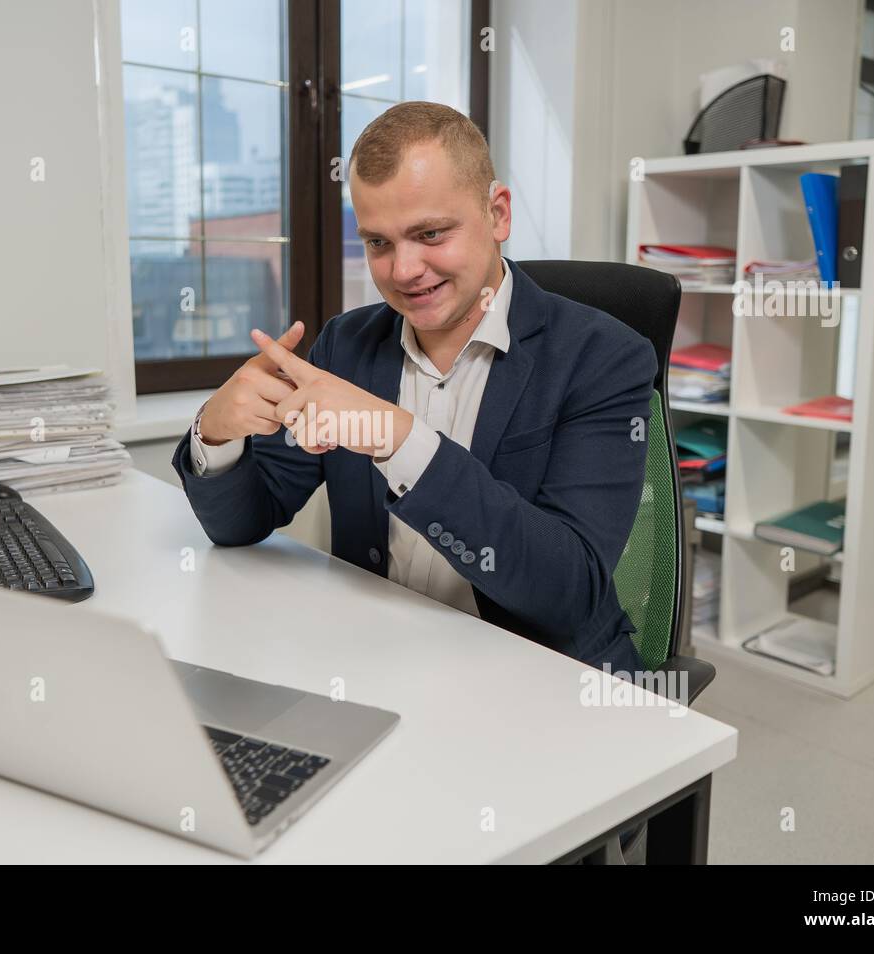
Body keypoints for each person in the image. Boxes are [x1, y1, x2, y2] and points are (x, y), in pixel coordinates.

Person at [171, 101, 656, 673]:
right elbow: (242, 524)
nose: (403, 271)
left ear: (498, 214)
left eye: (430, 233)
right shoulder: (345, 346)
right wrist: (217, 436)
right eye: (378, 243)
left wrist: (401, 441)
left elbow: (568, 590)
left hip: (541, 675)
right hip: (384, 659)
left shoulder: (604, 357)